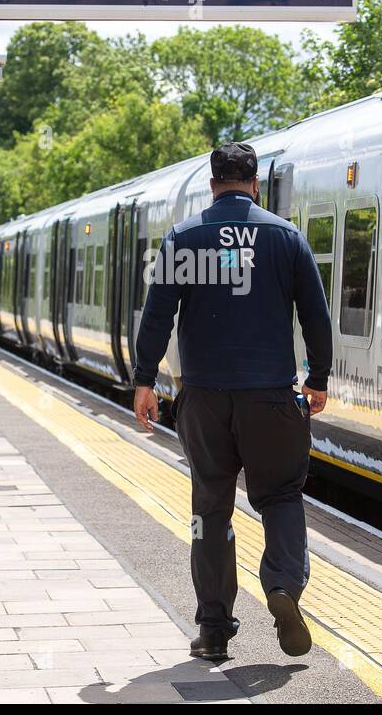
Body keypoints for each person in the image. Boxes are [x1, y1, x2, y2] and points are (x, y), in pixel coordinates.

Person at [132, 141, 332, 662]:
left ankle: (215, 629)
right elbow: (316, 315)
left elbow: (157, 317)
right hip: (271, 397)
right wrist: (319, 378)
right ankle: (284, 586)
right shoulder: (286, 238)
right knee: (282, 496)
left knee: (210, 509)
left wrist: (144, 380)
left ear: (212, 183)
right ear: (256, 183)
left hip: (204, 399)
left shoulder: (184, 237)